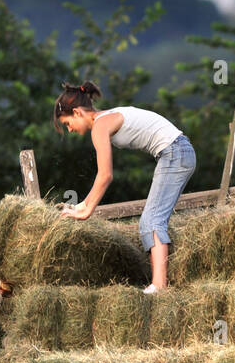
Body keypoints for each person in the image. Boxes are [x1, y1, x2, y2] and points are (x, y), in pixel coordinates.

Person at [54, 81, 197, 293]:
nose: (70, 129)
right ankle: (159, 285)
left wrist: (86, 211)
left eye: (67, 123)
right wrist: (80, 205)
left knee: (151, 220)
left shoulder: (100, 126)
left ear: (76, 112)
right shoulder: (106, 117)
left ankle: (159, 287)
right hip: (178, 151)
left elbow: (105, 175)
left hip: (175, 153)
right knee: (152, 219)